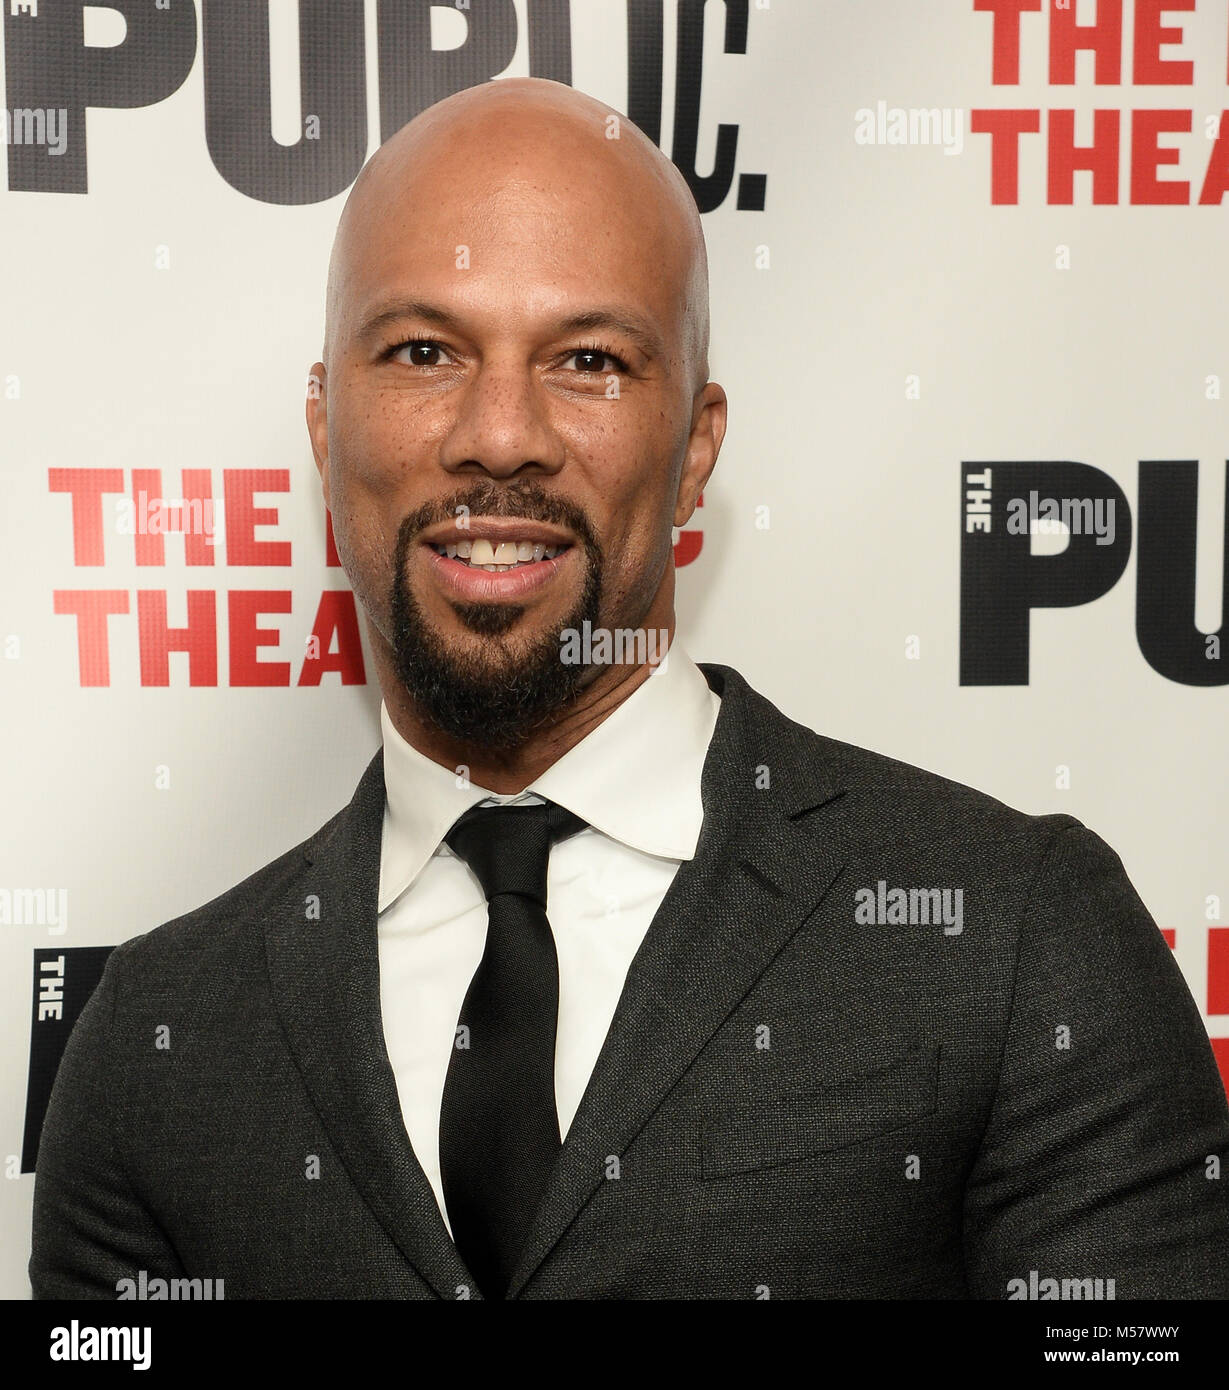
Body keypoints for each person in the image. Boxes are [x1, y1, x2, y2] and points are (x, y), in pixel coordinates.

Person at [30, 78, 1229, 1301]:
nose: (500, 433)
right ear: (325, 423)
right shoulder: (157, 1036)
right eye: (423, 351)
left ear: (695, 447)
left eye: (589, 360)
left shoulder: (1016, 934)